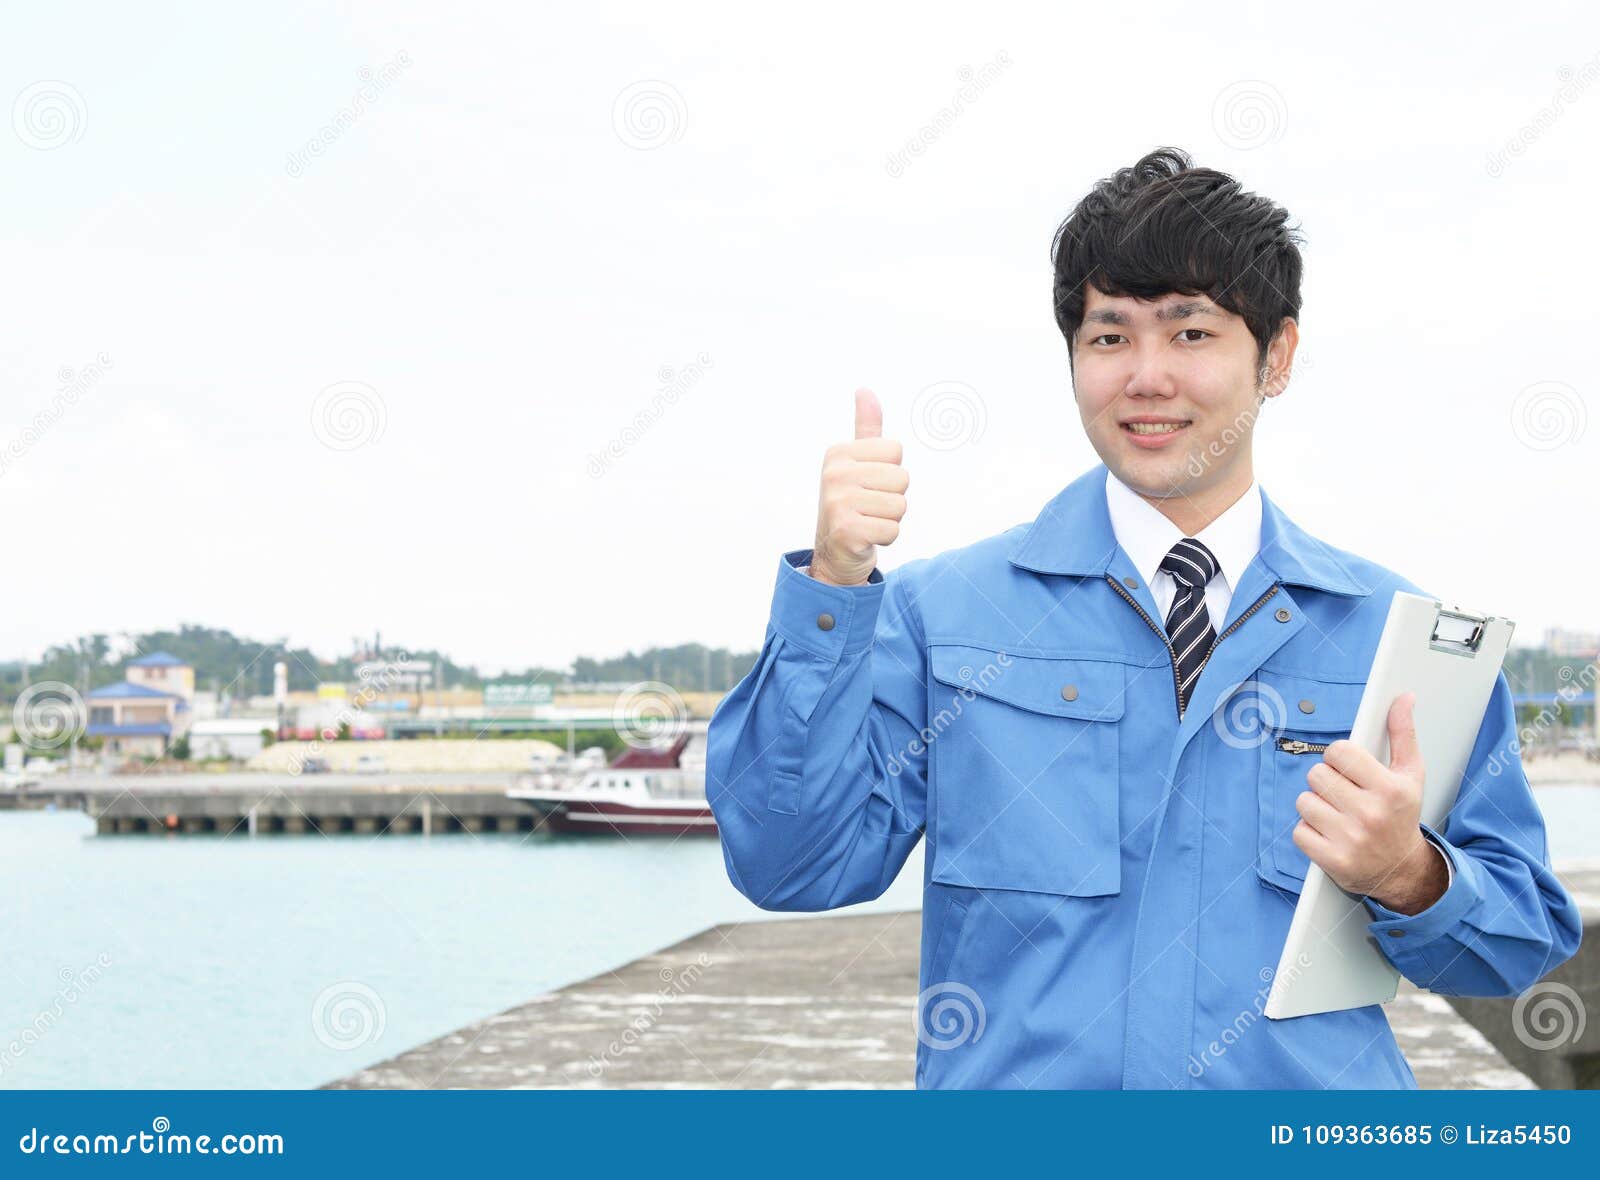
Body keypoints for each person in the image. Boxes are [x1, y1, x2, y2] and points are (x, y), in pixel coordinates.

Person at [705, 147, 1583, 1089]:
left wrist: (1409, 873)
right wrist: (834, 587)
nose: (1146, 377)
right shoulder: (942, 614)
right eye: (1109, 337)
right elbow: (792, 864)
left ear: (1277, 356)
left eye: (1192, 335)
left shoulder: (1399, 638)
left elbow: (1514, 946)